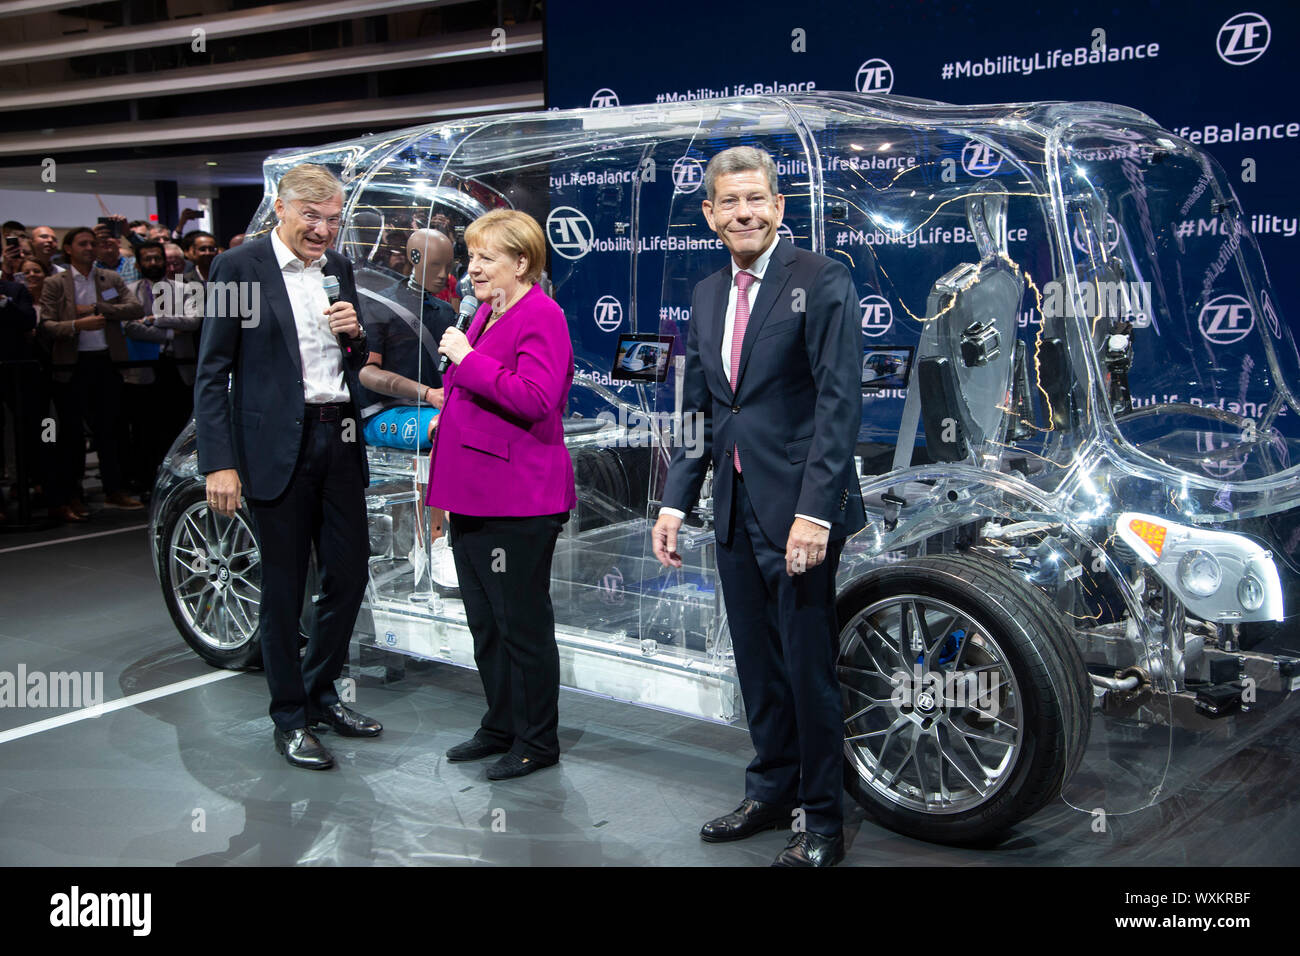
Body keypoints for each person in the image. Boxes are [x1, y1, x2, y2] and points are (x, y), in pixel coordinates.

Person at [652, 146, 865, 867]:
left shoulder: (822, 279)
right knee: (756, 665)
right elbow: (701, 409)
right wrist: (675, 503)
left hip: (801, 511)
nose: (744, 212)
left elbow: (839, 407)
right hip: (734, 506)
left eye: (757, 200)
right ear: (709, 214)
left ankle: (823, 819)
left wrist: (818, 512)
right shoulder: (708, 293)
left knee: (808, 670)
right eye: (728, 202)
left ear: (779, 207)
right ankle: (771, 790)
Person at [193, 162, 380, 771]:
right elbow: (212, 372)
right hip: (275, 449)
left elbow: (350, 362)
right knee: (282, 590)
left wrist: (355, 337)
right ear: (280, 207)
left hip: (339, 439)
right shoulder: (238, 268)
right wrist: (219, 462)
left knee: (348, 577)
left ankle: (323, 695)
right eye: (312, 217)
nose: (324, 230)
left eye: (333, 219)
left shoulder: (339, 269)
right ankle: (291, 717)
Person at [426, 209, 575, 781]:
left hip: (519, 500)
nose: (472, 270)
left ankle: (538, 740)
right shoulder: (487, 311)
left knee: (522, 625)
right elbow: (481, 387)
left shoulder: (543, 314)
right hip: (472, 494)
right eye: (471, 257)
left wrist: (467, 359)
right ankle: (500, 724)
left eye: (487, 258)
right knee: (485, 622)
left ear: (521, 262)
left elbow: (534, 397)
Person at [40, 227, 146, 521]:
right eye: (83, 244)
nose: (90, 248)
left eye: (93, 244)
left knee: (110, 431)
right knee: (71, 435)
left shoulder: (107, 280)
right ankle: (73, 495)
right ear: (69, 249)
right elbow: (46, 325)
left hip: (106, 362)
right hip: (71, 366)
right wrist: (77, 325)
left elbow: (134, 307)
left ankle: (115, 490)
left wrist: (101, 308)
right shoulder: (56, 283)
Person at [357, 228, 457, 451]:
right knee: (443, 427)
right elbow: (367, 372)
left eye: (448, 267)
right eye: (435, 265)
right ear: (415, 258)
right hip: (385, 410)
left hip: (437, 406)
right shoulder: (379, 305)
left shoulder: (445, 312)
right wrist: (427, 393)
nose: (443, 274)